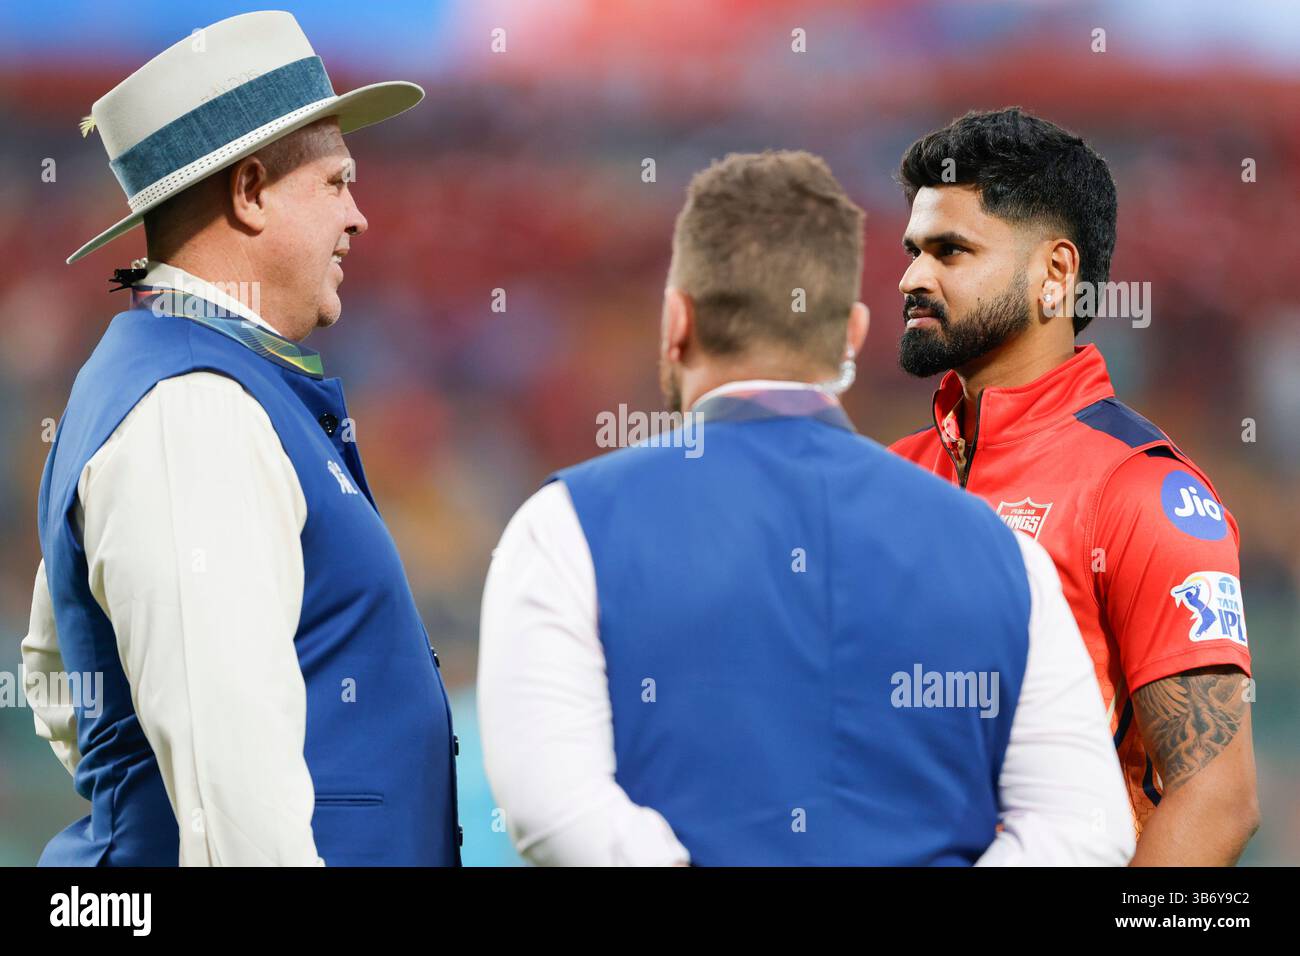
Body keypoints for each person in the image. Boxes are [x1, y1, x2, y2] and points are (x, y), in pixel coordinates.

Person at [478, 150, 1134, 866]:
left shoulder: (565, 525)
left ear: (676, 323)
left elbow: (550, 806)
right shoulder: (1004, 553)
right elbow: (1086, 827)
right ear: (850, 336)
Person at [21, 11, 460, 866]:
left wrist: (140, 787)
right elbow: (234, 810)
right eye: (337, 183)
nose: (359, 217)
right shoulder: (193, 409)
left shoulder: (186, 383)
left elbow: (57, 676)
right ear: (250, 191)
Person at [889, 108, 1257, 865]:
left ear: (1054, 274)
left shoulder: (1141, 490)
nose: (911, 278)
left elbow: (1218, 799)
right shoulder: (888, 478)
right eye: (912, 251)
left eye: (949, 251)